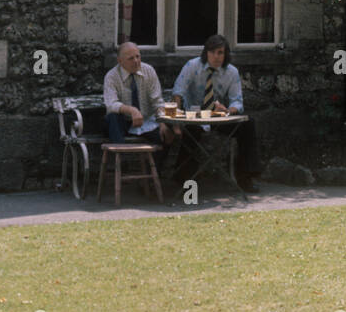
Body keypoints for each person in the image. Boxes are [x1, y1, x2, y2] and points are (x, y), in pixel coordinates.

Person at [172, 33, 262, 193]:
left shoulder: (231, 72)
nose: (216, 57)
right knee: (191, 132)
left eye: (220, 52)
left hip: (217, 117)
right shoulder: (192, 66)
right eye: (212, 52)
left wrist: (228, 110)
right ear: (206, 53)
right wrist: (177, 118)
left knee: (248, 125)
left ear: (226, 54)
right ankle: (186, 181)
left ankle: (246, 177)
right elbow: (178, 92)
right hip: (194, 115)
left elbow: (237, 101)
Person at [103, 41, 176, 155]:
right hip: (123, 122)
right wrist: (132, 110)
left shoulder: (148, 70)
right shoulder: (111, 76)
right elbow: (111, 104)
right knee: (112, 117)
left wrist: (162, 122)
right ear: (120, 61)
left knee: (166, 132)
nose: (136, 61)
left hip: (146, 121)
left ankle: (158, 170)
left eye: (138, 56)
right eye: (131, 58)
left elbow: (157, 101)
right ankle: (122, 162)